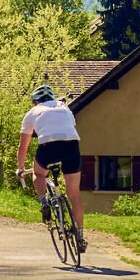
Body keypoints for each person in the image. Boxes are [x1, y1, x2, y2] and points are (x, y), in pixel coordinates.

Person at [17, 85, 86, 252]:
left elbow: (23, 147)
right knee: (74, 194)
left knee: (39, 174)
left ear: (35, 101)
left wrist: (20, 168)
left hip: (48, 146)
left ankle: (43, 201)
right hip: (72, 145)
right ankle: (81, 236)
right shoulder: (65, 108)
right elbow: (68, 127)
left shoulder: (32, 113)